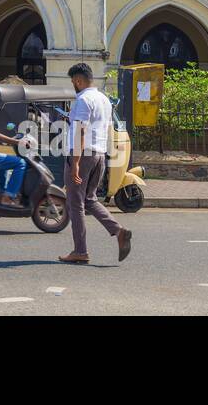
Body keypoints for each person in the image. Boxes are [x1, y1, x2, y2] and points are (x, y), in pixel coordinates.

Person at [59, 63, 132, 265]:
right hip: (99, 154)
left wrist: (74, 163)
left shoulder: (83, 99)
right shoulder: (104, 100)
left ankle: (80, 251)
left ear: (79, 80)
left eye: (73, 82)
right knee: (89, 199)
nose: (73, 85)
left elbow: (81, 131)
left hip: (82, 156)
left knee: (75, 203)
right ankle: (118, 231)